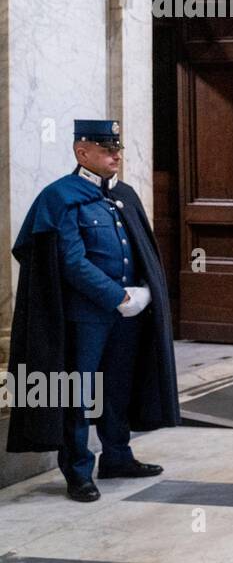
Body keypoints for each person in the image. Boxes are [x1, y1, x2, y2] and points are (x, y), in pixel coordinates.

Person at [6, 119, 180, 502]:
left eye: (117, 147)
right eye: (106, 149)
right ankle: (78, 470)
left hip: (127, 318)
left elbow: (140, 251)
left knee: (117, 388)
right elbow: (71, 262)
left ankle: (117, 456)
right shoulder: (60, 197)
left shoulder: (126, 195)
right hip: (84, 318)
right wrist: (118, 296)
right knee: (78, 394)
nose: (116, 154)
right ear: (81, 152)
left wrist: (147, 292)